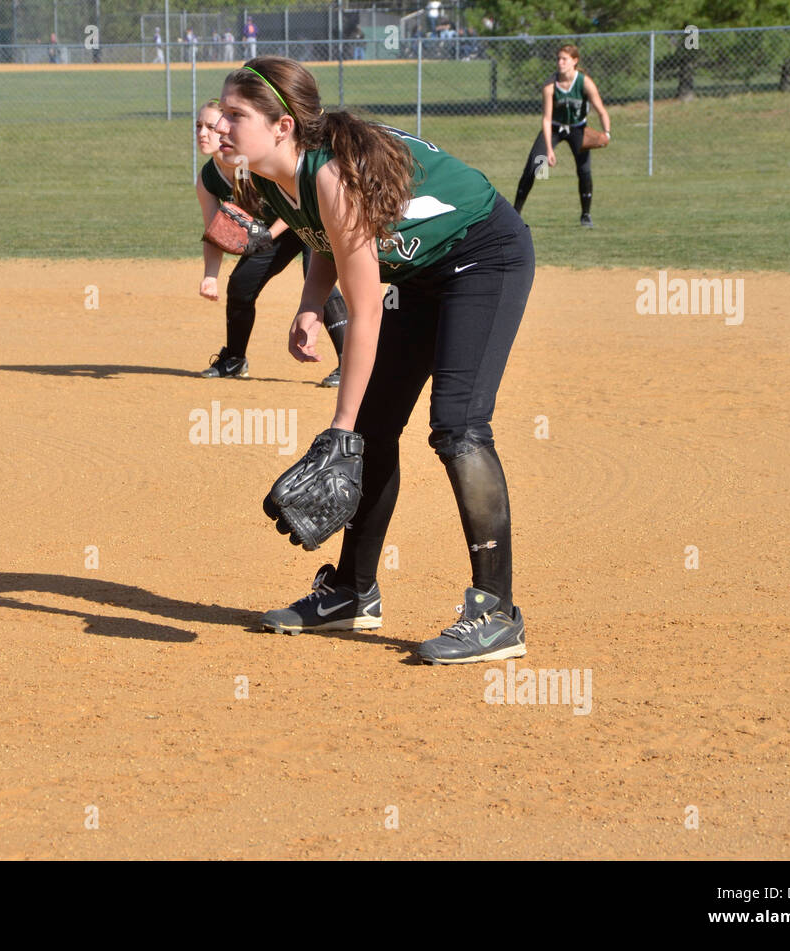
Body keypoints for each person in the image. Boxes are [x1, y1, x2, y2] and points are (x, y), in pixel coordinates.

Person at [213, 57, 534, 664]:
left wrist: (338, 427)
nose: (220, 125)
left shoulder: (330, 173)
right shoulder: (271, 176)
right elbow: (325, 241)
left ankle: (497, 611)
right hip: (419, 272)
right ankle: (350, 593)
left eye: (236, 115)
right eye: (221, 112)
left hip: (483, 254)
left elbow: (364, 312)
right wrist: (310, 303)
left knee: (458, 428)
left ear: (282, 126)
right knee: (373, 431)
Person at [194, 100, 346, 385]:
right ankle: (234, 359)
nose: (204, 133)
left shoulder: (252, 163)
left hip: (308, 218)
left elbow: (295, 201)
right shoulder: (208, 179)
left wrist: (267, 235)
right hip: (272, 232)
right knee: (241, 283)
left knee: (318, 282)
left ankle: (348, 362)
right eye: (199, 126)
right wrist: (209, 276)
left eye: (211, 126)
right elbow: (213, 232)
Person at [513, 45, 611, 228]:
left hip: (577, 129)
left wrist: (607, 133)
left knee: (584, 170)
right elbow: (546, 118)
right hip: (554, 129)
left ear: (575, 61)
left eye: (564, 59)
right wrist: (549, 150)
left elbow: (601, 111)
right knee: (535, 164)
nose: (560, 62)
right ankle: (515, 214)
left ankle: (586, 215)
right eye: (558, 58)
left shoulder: (584, 82)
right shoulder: (550, 85)